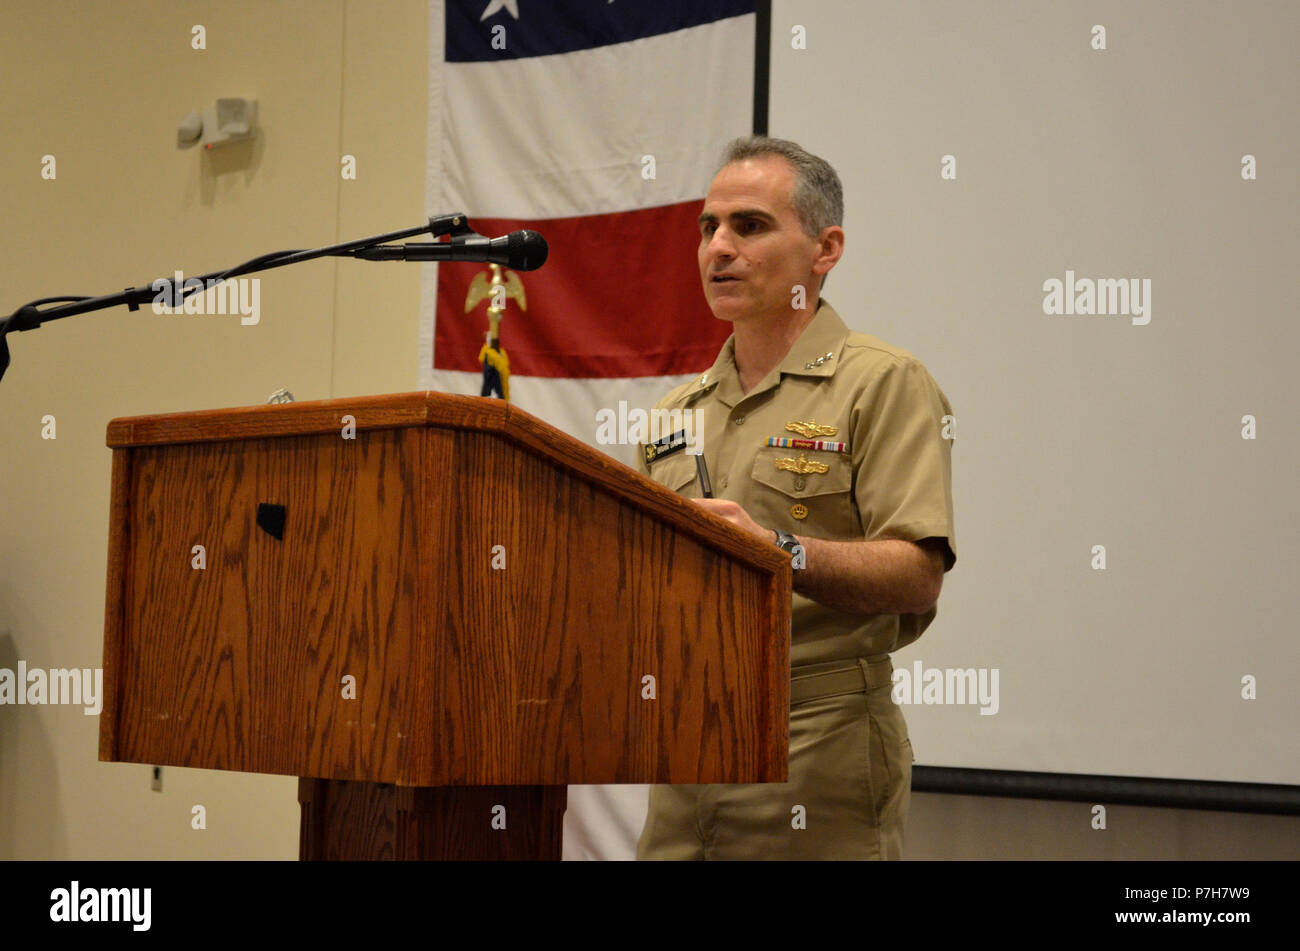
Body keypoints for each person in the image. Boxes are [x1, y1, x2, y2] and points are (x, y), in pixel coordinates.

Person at [633, 136, 956, 860]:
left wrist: (782, 552)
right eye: (707, 227)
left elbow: (917, 574)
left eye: (749, 226)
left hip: (818, 744)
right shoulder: (673, 415)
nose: (718, 247)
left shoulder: (881, 382)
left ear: (825, 248)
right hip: (684, 750)